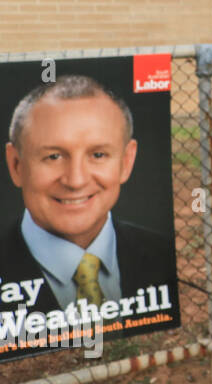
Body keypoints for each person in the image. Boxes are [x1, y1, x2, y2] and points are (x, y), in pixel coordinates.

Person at [2, 76, 174, 324]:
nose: (76, 180)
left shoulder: (163, 257)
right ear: (16, 165)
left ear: (126, 162)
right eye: (53, 156)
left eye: (98, 154)